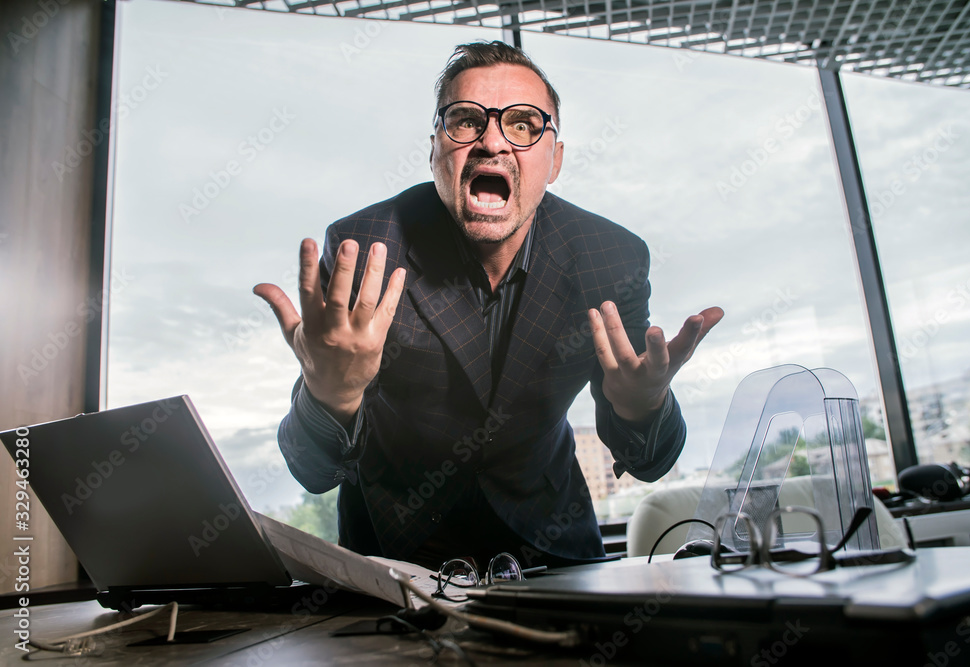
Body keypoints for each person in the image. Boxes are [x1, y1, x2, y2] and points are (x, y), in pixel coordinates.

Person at [254, 41, 723, 572]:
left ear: (556, 160)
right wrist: (330, 395)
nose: (493, 141)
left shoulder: (609, 259)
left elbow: (651, 462)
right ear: (435, 149)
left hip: (550, 543)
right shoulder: (363, 248)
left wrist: (644, 407)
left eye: (524, 124)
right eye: (465, 121)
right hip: (396, 554)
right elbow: (314, 472)